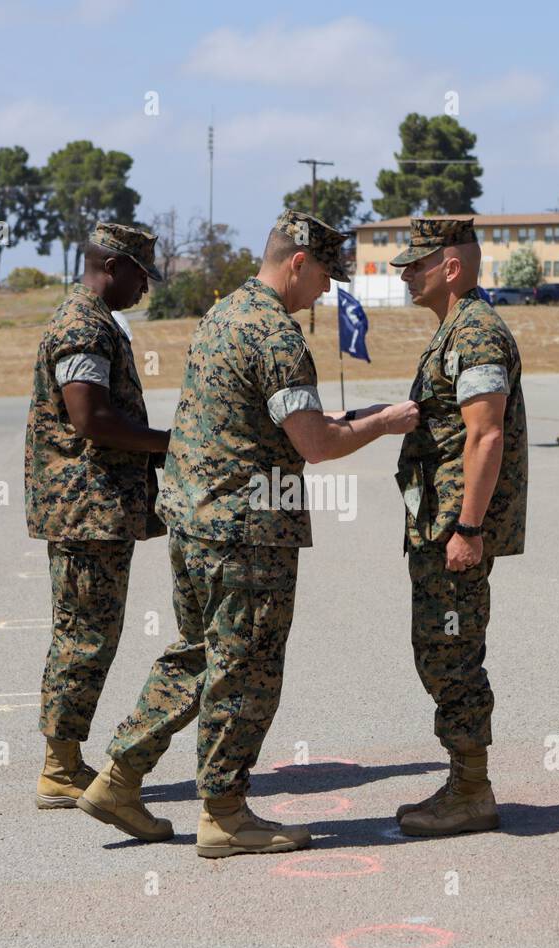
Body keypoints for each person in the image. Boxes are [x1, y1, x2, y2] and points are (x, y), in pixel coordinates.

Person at [79, 210, 420, 857]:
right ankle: (225, 813)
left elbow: (269, 416)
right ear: (298, 262)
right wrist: (384, 423)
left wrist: (358, 414)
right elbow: (314, 442)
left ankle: (118, 778)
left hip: (195, 521)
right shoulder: (277, 334)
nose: (326, 289)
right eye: (324, 275)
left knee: (198, 655)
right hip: (246, 534)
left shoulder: (224, 314)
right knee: (246, 668)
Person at [389, 217, 528, 837]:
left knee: (454, 653)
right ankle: (463, 781)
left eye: (416, 264)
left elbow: (486, 433)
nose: (405, 274)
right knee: (440, 649)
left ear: (450, 268)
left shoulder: (475, 333)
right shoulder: (454, 330)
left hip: (454, 529)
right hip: (438, 523)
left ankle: (472, 791)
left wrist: (469, 528)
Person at [24, 222, 170, 810]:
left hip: (95, 508)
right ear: (111, 266)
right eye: (139, 274)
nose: (144, 287)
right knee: (84, 635)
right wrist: (170, 443)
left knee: (87, 632)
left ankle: (64, 760)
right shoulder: (83, 326)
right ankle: (59, 768)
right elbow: (91, 420)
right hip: (86, 510)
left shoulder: (95, 320)